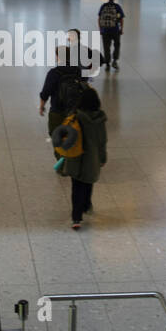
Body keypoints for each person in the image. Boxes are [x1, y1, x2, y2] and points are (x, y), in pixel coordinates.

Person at [59, 88, 107, 230]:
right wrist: (102, 157)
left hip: (76, 156)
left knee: (76, 186)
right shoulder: (100, 119)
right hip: (92, 158)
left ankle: (76, 217)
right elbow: (102, 141)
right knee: (88, 182)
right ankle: (86, 205)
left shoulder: (75, 117)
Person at [40, 45, 84, 158]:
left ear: (58, 56)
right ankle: (72, 160)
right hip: (74, 111)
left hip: (57, 111)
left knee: (56, 136)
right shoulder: (77, 70)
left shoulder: (54, 73)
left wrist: (41, 106)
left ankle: (61, 161)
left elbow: (45, 92)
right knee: (73, 135)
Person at [98, 0, 125, 71]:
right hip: (115, 30)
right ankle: (115, 61)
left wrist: (100, 29)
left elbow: (99, 19)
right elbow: (121, 19)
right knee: (117, 45)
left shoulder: (103, 6)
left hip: (105, 30)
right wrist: (121, 29)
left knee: (106, 47)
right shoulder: (117, 6)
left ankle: (107, 64)